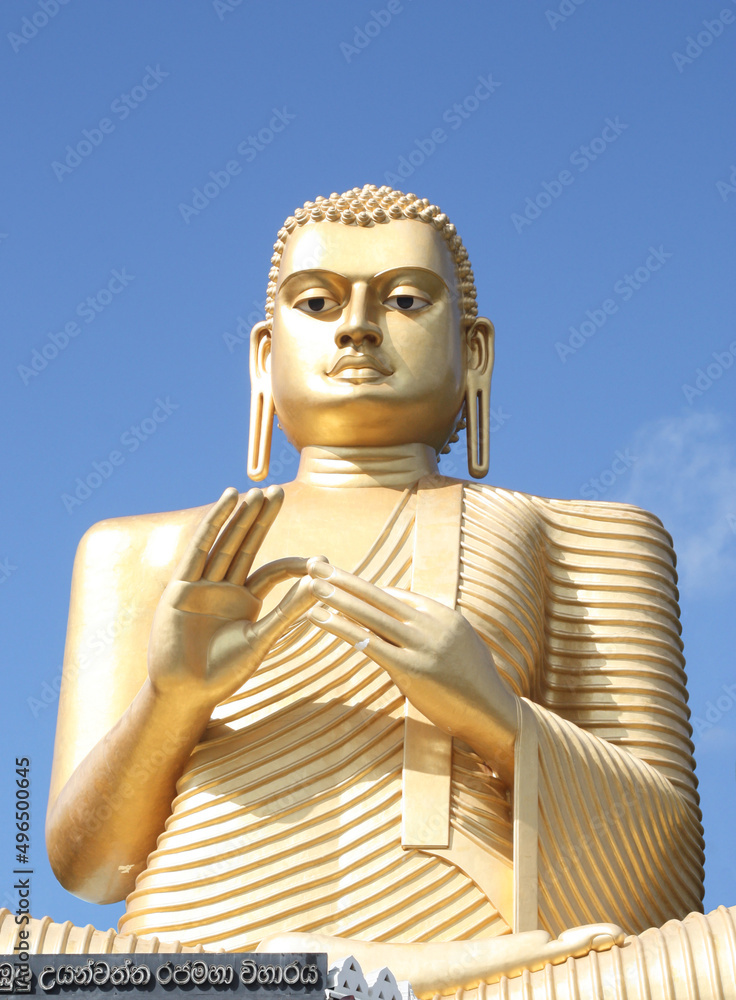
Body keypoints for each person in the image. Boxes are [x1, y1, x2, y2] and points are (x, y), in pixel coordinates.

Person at [10, 185, 714, 995]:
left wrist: (492, 714)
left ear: (474, 350)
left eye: (407, 299)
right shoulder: (138, 549)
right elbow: (89, 870)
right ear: (264, 356)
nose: (356, 326)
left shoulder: (577, 534)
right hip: (192, 972)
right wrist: (172, 699)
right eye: (316, 302)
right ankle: (287, 980)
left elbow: (666, 874)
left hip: (493, 976)